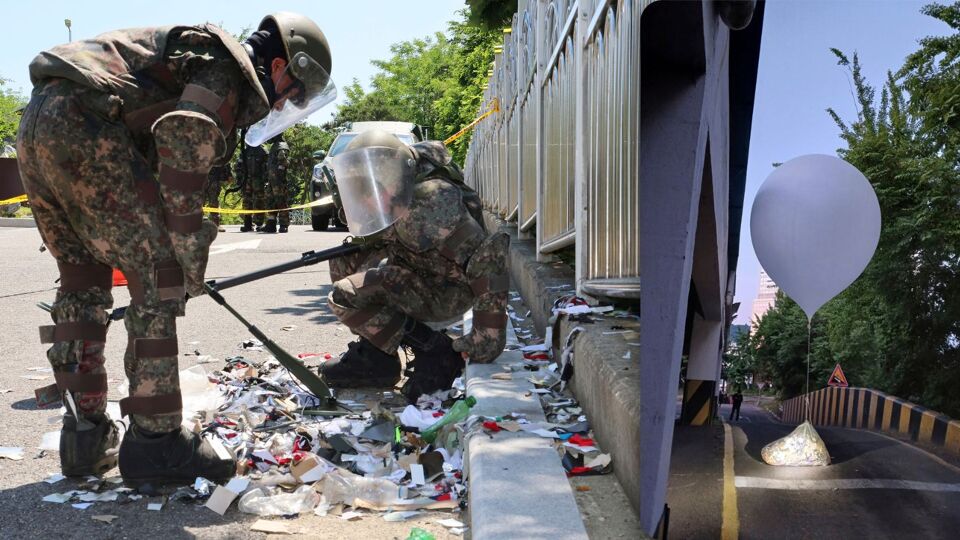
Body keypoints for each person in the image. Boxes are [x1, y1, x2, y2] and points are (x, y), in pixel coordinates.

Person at [16, 12, 334, 482]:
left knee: (81, 283)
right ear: (282, 65)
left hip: (40, 124)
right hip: (88, 127)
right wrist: (186, 252)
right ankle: (157, 445)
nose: (285, 104)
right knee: (159, 281)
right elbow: (183, 135)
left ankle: (83, 439)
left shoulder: (187, 54)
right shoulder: (226, 66)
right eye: (294, 92)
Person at [320, 130, 510, 402]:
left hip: (449, 291)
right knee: (344, 261)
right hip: (422, 272)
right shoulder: (399, 196)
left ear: (391, 181)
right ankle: (378, 359)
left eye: (368, 191)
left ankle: (436, 353)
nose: (363, 201)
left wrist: (487, 337)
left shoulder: (430, 204)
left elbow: (488, 258)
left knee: (345, 295)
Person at [236, 139, 268, 232]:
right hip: (247, 180)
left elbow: (267, 167)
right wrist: (239, 180)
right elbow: (239, 166)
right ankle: (248, 224)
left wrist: (266, 181)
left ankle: (259, 224)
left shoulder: (263, 151)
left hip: (259, 180)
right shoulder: (245, 152)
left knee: (259, 201)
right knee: (246, 201)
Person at [265, 133, 290, 233]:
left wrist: (279, 177)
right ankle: (271, 224)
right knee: (270, 201)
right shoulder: (275, 146)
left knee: (281, 201)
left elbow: (284, 162)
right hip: (272, 179)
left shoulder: (281, 146)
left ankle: (284, 225)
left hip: (278, 180)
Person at [205, 164, 232, 232]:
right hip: (200, 178)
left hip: (214, 179)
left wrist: (229, 174)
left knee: (214, 203)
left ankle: (215, 224)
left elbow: (225, 159)